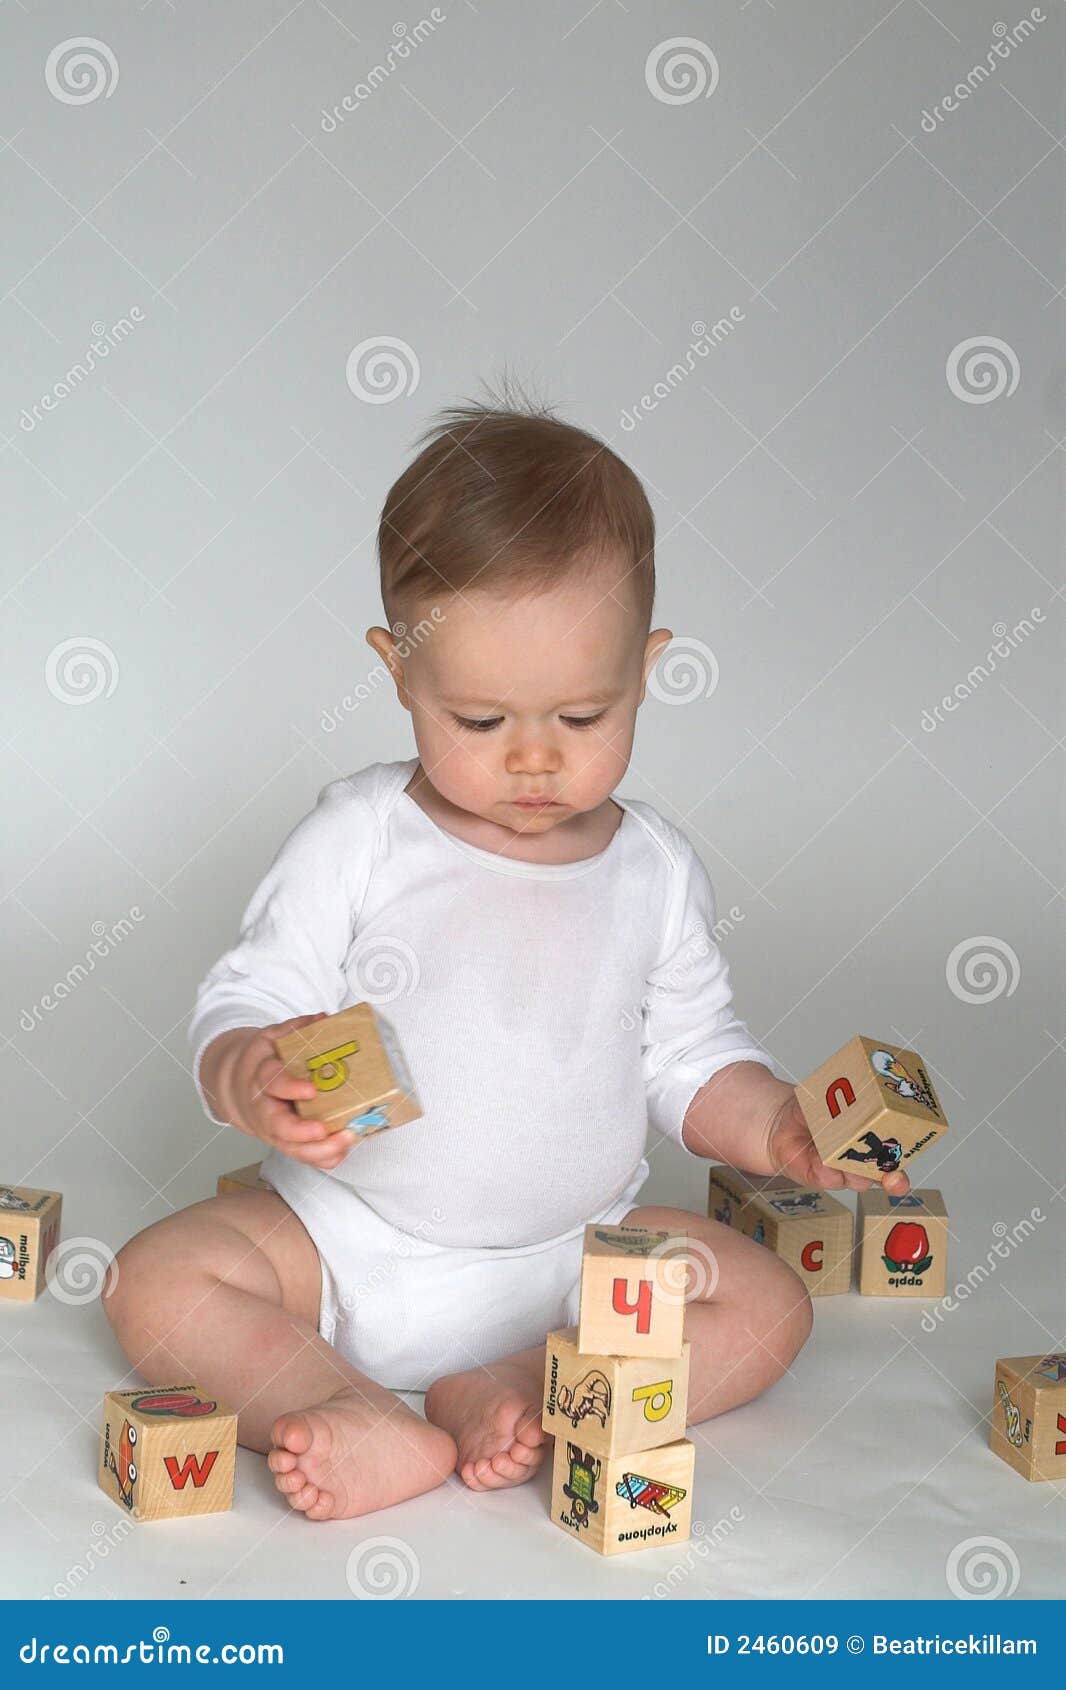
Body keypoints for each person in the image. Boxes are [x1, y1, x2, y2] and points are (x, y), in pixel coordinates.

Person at [103, 384, 908, 1522]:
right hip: (346, 1242)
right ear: (398, 671)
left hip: (571, 1266)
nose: (534, 759)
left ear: (646, 668)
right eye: (479, 722)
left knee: (771, 1306)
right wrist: (254, 1073)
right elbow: (255, 990)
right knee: (157, 1279)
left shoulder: (654, 868)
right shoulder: (361, 834)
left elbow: (686, 1056)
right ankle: (353, 1405)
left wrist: (777, 1124)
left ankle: (517, 1384)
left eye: (582, 717)